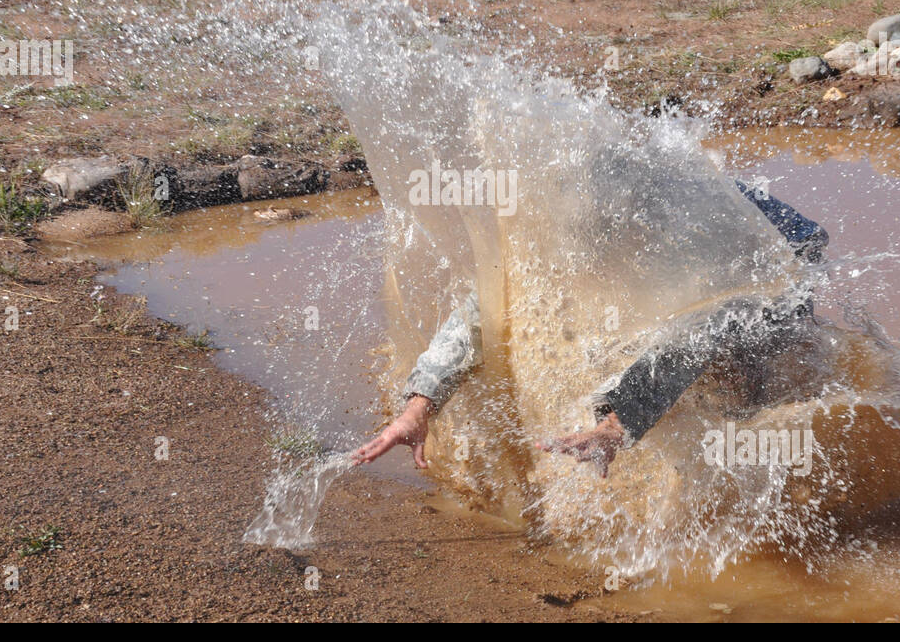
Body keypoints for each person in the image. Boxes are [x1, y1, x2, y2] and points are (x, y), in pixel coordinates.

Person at [352, 182, 829, 475]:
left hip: (786, 256)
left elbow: (703, 330)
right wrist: (420, 404)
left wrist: (614, 426)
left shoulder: (677, 241)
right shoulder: (564, 225)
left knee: (741, 374)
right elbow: (488, 309)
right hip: (693, 238)